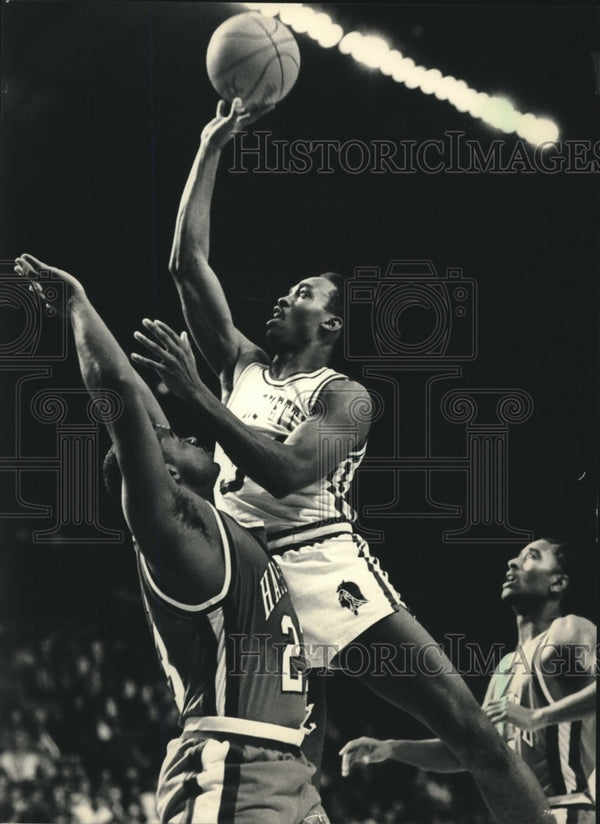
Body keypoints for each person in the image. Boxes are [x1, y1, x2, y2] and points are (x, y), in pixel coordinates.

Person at [129, 98, 560, 824]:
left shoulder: (347, 398)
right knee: (286, 762)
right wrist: (210, 145)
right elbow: (186, 263)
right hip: (254, 577)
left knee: (471, 729)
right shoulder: (245, 366)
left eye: (303, 294)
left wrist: (199, 400)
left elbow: (290, 472)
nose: (283, 296)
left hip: (326, 569)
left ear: (329, 324)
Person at [14, 253, 328, 824]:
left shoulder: (221, 522)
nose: (185, 435)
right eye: (177, 441)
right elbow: (119, 393)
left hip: (290, 774)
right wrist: (77, 304)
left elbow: (144, 410)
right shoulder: (177, 535)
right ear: (167, 477)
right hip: (229, 766)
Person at [340, 538, 597, 824]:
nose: (513, 563)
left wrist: (539, 717)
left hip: (571, 811)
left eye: (531, 557)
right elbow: (470, 750)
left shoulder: (569, 631)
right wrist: (391, 748)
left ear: (558, 583)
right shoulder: (505, 668)